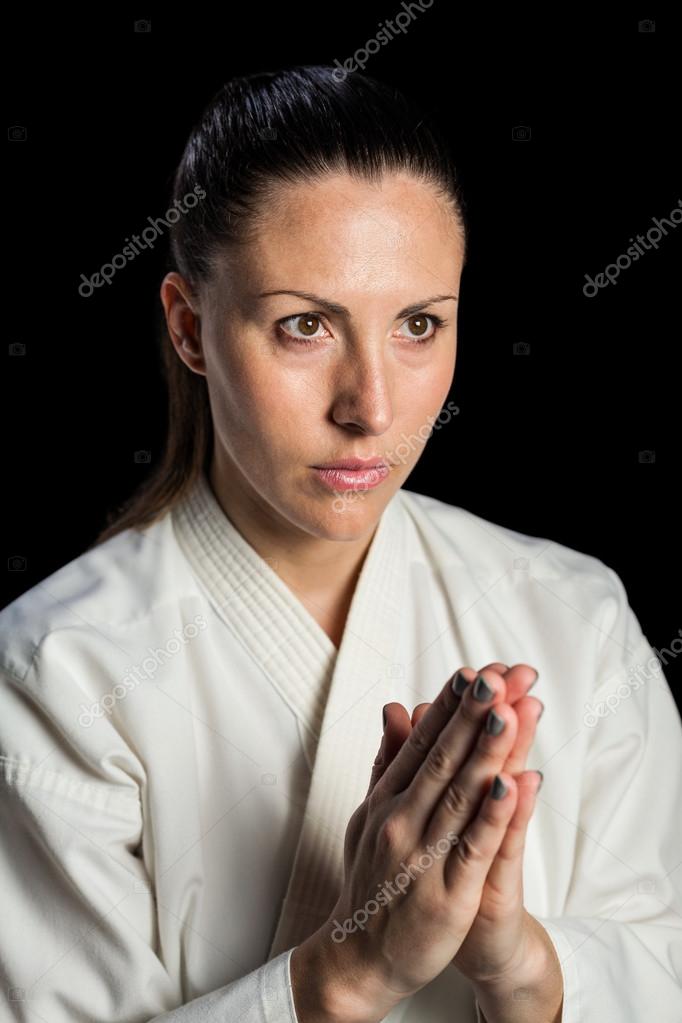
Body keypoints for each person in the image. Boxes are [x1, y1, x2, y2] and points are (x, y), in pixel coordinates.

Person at [1, 66, 680, 1023]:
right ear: (190, 327)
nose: (371, 407)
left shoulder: (575, 615)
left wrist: (525, 965)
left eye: (418, 326)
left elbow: (665, 958)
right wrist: (348, 972)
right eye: (305, 325)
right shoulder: (55, 674)